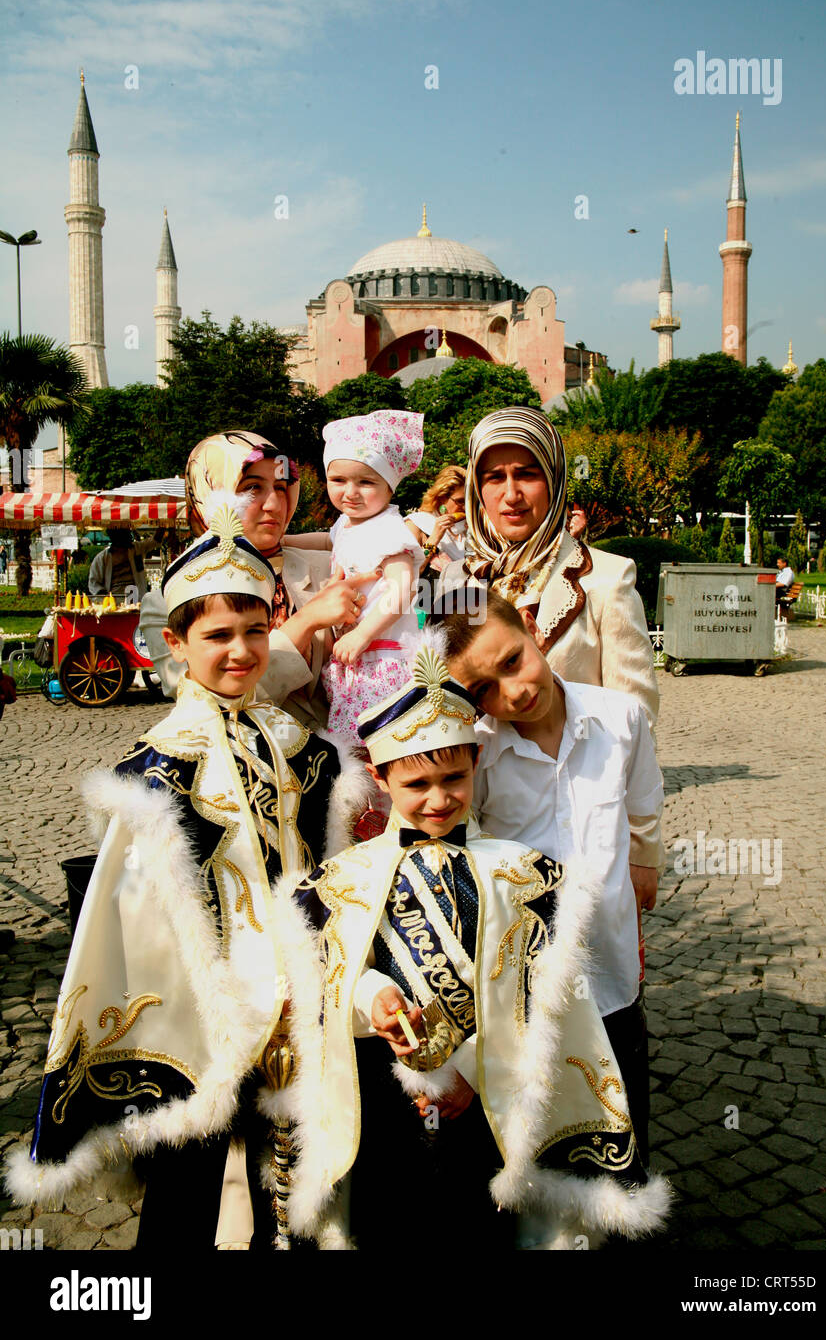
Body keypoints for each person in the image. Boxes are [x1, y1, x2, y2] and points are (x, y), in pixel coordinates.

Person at [4, 496, 351, 1251]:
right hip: (206, 1024)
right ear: (176, 643)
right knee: (196, 1194)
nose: (240, 650)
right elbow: (136, 932)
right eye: (218, 635)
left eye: (255, 631)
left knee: (292, 1183)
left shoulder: (301, 748)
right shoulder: (155, 774)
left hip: (300, 1010)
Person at [289, 644, 669, 1250]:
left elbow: (537, 1007)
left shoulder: (529, 878)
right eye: (416, 783)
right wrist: (375, 1000)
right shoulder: (342, 883)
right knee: (395, 1222)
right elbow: (333, 982)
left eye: (454, 778)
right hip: (385, 1096)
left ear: (476, 765)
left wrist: (468, 1070)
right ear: (382, 779)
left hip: (492, 1100)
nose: (438, 799)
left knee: (481, 1227)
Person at [438, 589, 664, 1170]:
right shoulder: (480, 755)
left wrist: (644, 862)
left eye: (513, 660)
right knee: (538, 1131)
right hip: (526, 980)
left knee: (622, 1120)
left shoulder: (621, 720)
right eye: (484, 688)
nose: (512, 691)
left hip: (611, 970)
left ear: (532, 629)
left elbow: (643, 802)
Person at [437, 406, 660, 919]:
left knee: (602, 980)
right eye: (494, 477)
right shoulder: (454, 583)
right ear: (476, 487)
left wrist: (642, 853)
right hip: (494, 826)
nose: (510, 495)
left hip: (589, 824)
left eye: (527, 474)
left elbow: (637, 718)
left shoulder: (604, 578)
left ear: (555, 479)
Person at [139, 430, 378, 730]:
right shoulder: (167, 600)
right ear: (209, 492)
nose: (274, 505)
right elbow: (208, 708)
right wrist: (305, 621)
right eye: (251, 488)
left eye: (281, 488)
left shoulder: (331, 569)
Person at [284, 410, 425, 742]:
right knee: (352, 744)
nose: (350, 492)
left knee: (381, 741)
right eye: (339, 481)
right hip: (355, 657)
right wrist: (283, 541)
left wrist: (362, 634)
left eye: (366, 482)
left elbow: (403, 588)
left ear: (389, 487)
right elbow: (325, 539)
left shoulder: (389, 529)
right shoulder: (347, 523)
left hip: (381, 654)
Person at [405, 464, 467, 572]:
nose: (466, 507)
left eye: (469, 502)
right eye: (460, 501)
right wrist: (434, 537)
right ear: (442, 497)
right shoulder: (417, 523)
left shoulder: (467, 529)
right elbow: (408, 571)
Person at [88, 526, 160, 601]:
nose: (129, 536)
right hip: (115, 600)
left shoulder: (137, 549)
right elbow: (93, 582)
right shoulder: (102, 558)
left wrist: (163, 523)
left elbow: (155, 540)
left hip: (137, 598)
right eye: (126, 533)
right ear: (117, 536)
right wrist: (105, 597)